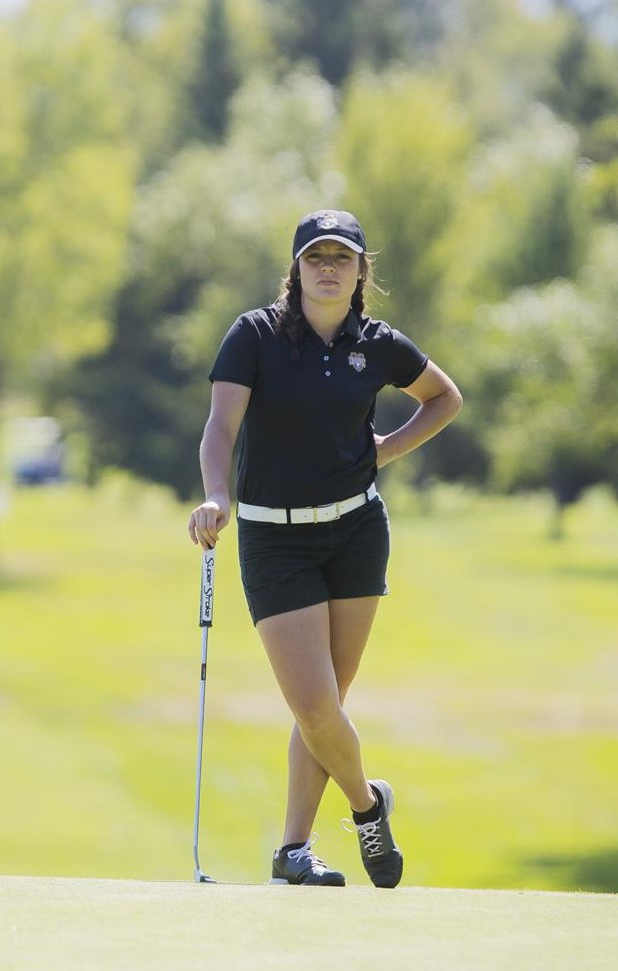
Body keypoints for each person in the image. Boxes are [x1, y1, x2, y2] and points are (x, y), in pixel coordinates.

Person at [186, 209, 462, 888]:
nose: (329, 268)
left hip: (357, 533)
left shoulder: (378, 343)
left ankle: (293, 851)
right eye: (317, 258)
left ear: (363, 270)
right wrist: (217, 495)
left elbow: (443, 398)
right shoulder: (254, 337)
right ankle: (368, 805)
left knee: (327, 703)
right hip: (274, 537)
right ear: (297, 269)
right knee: (314, 705)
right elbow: (221, 427)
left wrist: (385, 452)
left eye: (343, 257)